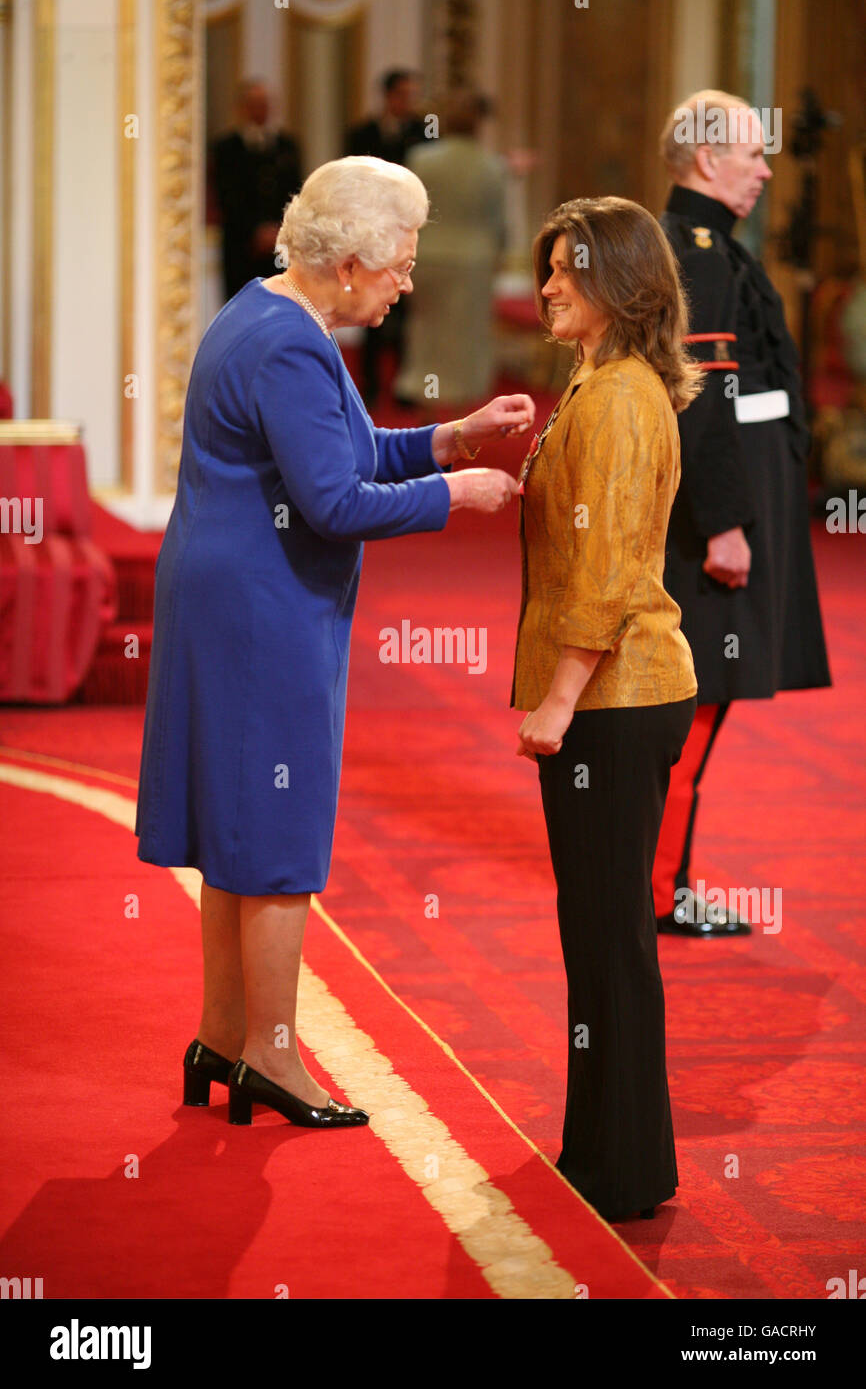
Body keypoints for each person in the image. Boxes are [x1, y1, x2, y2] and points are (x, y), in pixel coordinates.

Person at [136, 156, 532, 1130]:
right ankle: (272, 1054)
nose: (407, 278)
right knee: (273, 836)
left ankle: (223, 1038)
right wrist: (455, 496)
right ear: (349, 263)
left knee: (236, 825)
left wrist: (447, 439)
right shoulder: (293, 347)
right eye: (398, 262)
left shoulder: (270, 314)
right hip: (261, 613)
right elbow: (333, 502)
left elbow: (338, 455)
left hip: (231, 596)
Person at [512, 196, 700, 1222]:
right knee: (595, 930)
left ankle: (623, 1169)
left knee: (610, 933)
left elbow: (609, 570)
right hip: (611, 694)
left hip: (615, 697)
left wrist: (556, 700)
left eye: (565, 273)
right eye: (545, 270)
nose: (545, 287)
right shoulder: (599, 379)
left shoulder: (623, 396)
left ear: (618, 284)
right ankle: (603, 1149)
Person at [654, 91, 831, 937]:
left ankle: (662, 881)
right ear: (703, 158)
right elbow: (700, 401)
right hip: (717, 507)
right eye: (751, 155)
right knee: (692, 702)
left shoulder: (709, 245)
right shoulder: (698, 253)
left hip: (741, 490)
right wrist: (725, 522)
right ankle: (657, 889)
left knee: (704, 701)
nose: (765, 171)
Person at [395, 88, 507, 410]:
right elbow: (498, 225)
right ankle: (460, 418)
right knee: (464, 344)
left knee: (426, 338)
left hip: (427, 258)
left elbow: (407, 213)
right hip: (472, 263)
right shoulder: (492, 167)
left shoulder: (421, 158)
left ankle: (426, 409)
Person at [345, 70, 427, 406]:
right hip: (372, 235)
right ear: (389, 96)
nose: (408, 101)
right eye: (403, 94)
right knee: (371, 307)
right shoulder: (361, 134)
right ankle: (371, 387)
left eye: (413, 95)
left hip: (410, 234)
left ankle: (405, 387)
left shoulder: (424, 134)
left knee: (407, 315)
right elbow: (352, 183)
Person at [213, 79, 302, 301]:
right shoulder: (225, 149)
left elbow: (296, 193)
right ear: (242, 108)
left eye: (264, 103)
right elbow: (226, 195)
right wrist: (255, 231)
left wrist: (278, 229)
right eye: (253, 103)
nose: (260, 109)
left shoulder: (287, 146)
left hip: (279, 246)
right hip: (241, 247)